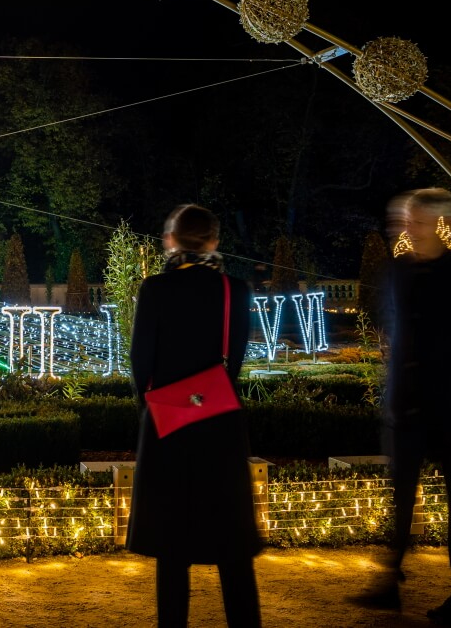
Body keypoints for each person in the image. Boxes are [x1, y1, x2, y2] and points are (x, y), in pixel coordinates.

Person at [126, 204, 262, 628]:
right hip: (219, 422)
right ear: (214, 241)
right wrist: (206, 396)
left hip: (169, 426)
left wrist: (155, 406)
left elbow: (139, 364)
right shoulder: (234, 290)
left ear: (171, 239)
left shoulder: (155, 289)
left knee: (172, 543)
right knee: (231, 541)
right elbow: (234, 362)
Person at [348, 187, 451, 625]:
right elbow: (398, 335)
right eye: (406, 221)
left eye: (417, 222)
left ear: (442, 225)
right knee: (401, 497)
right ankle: (389, 582)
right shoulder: (397, 271)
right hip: (407, 409)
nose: (408, 229)